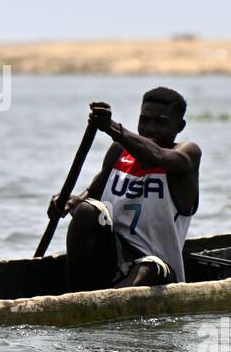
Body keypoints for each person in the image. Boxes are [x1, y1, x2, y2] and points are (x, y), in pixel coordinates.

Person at [49, 88, 200, 290]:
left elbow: (156, 157)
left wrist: (113, 129)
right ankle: (76, 297)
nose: (149, 129)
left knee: (149, 267)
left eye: (161, 123)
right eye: (144, 120)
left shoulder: (186, 154)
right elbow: (88, 200)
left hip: (158, 272)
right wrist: (65, 202)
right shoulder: (120, 151)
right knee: (87, 210)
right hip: (111, 262)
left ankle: (104, 303)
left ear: (179, 127)